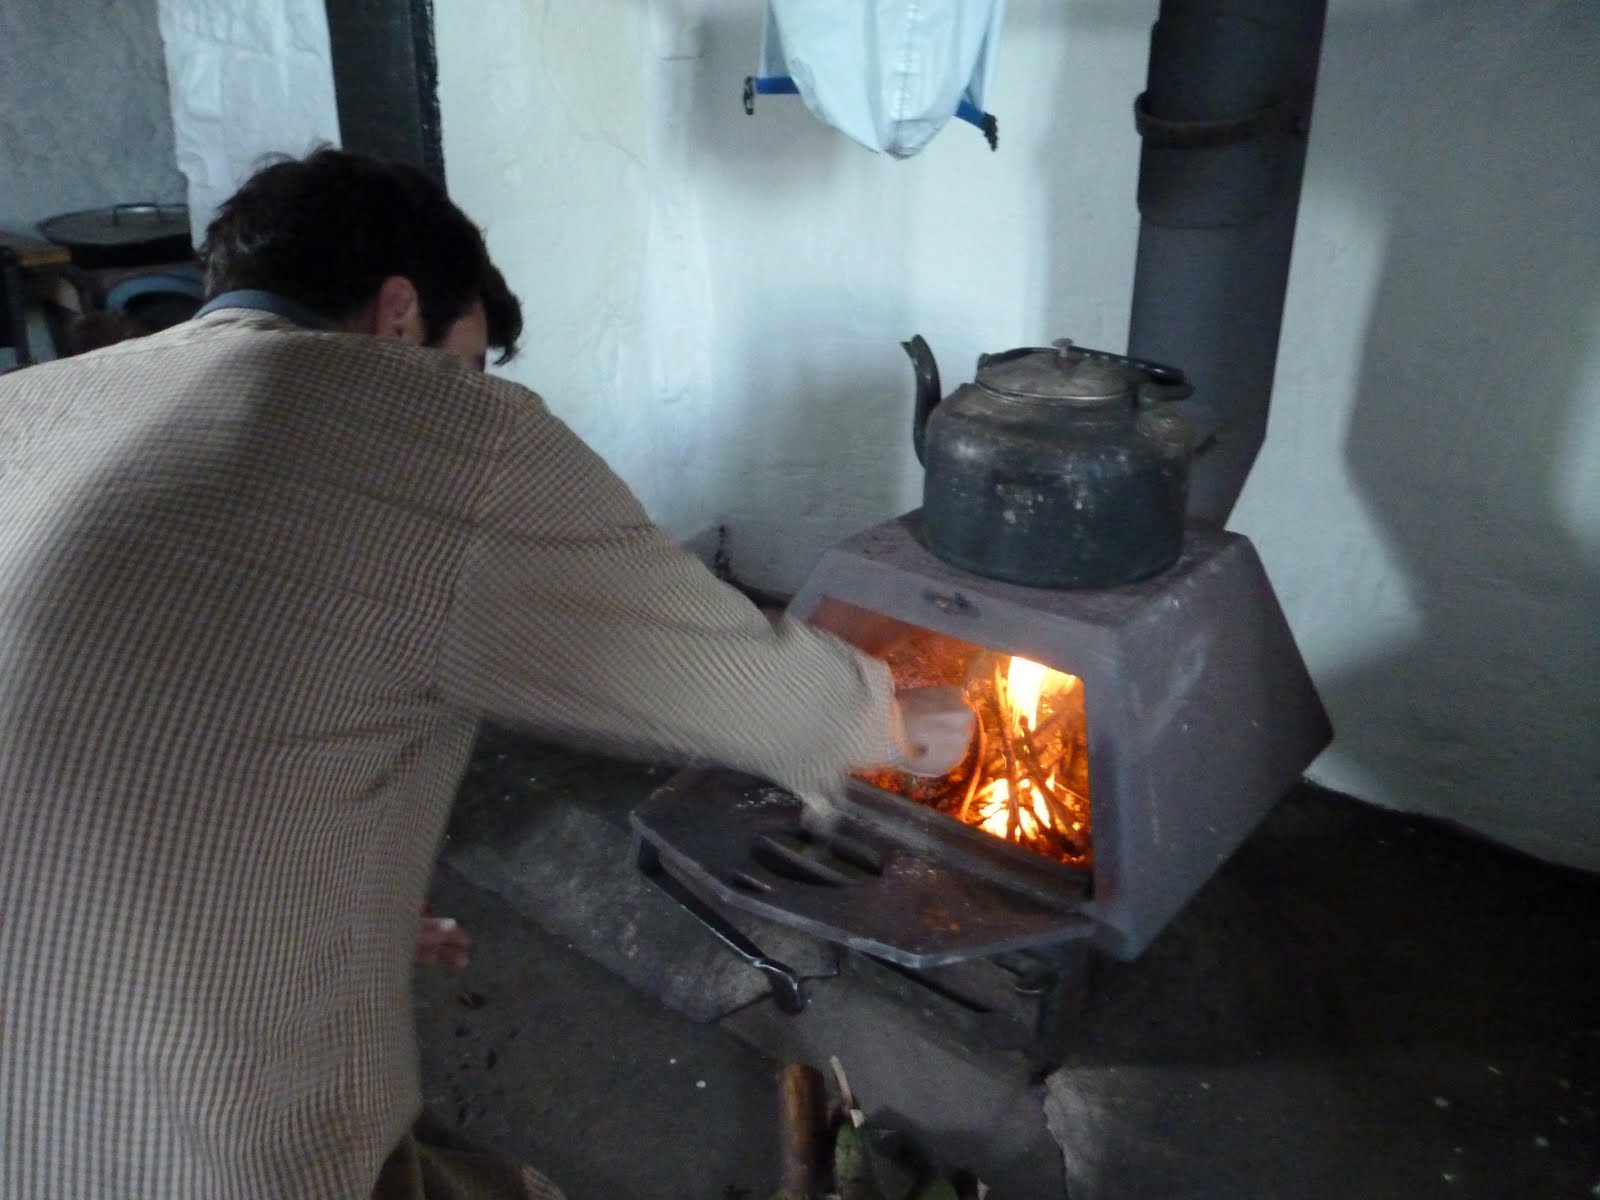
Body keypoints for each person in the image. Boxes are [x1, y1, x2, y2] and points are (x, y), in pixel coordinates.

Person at [0, 148, 973, 1200]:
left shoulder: (33, 409)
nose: (466, 395)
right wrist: (893, 720)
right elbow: (715, 671)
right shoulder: (422, 423)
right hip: (177, 1145)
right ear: (401, 313)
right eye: (466, 366)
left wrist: (342, 902)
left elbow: (137, 719)